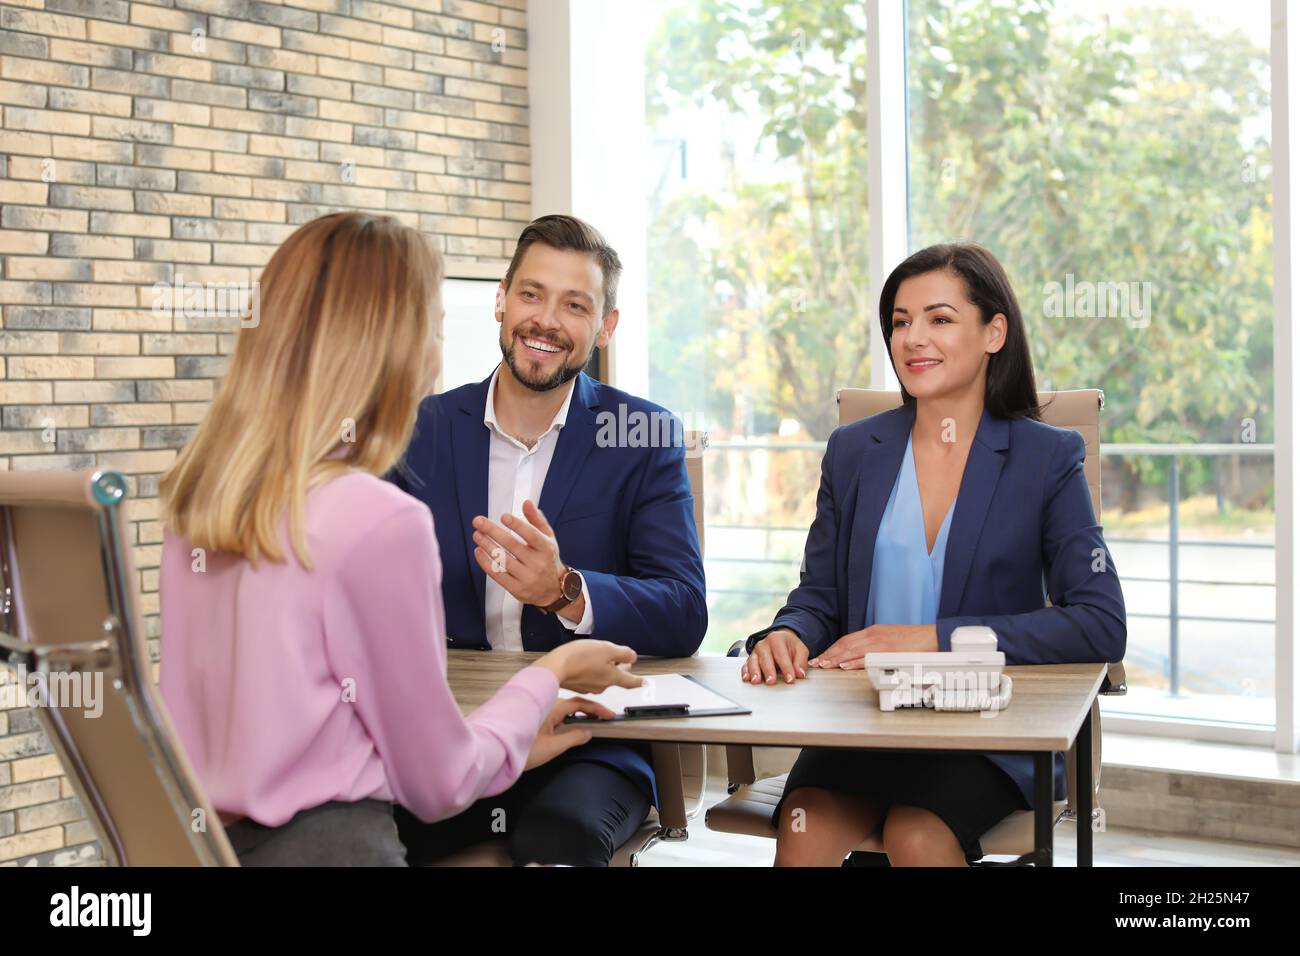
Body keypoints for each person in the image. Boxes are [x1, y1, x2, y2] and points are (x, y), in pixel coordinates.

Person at [158, 211, 642, 866]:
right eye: (433, 330)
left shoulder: (200, 500)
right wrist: (548, 678)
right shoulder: (378, 518)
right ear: (390, 349)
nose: (436, 355)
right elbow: (439, 783)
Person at [741, 242, 1127, 866]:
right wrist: (790, 632)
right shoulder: (853, 451)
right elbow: (820, 598)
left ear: (994, 332)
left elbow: (1101, 622)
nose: (913, 337)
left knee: (917, 835)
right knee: (806, 829)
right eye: (900, 321)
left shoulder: (1046, 458)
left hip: (983, 730)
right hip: (863, 722)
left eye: (939, 318)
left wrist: (930, 638)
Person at [390, 214, 707, 866]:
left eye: (575, 305)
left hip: (588, 735)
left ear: (605, 326)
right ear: (501, 300)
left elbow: (683, 612)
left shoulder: (642, 435)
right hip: (454, 729)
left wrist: (565, 592)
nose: (545, 321)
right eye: (531, 295)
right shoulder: (417, 429)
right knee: (380, 833)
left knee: (554, 840)